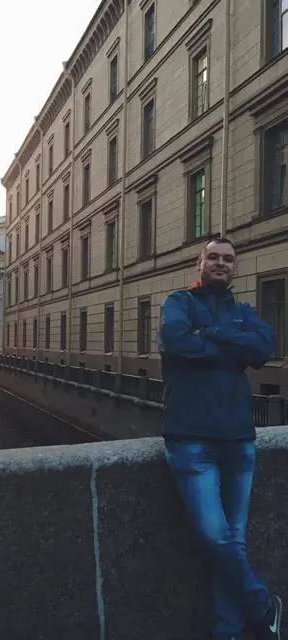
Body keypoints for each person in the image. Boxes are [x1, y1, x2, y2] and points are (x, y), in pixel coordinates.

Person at [157, 237, 282, 640]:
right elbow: (176, 341)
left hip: (239, 437)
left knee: (234, 540)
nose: (221, 263)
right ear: (200, 262)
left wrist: (208, 334)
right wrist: (231, 343)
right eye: (213, 257)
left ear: (235, 268)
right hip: (191, 436)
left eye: (228, 259)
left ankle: (226, 632)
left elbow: (263, 348)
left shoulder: (244, 310)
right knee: (214, 535)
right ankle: (263, 605)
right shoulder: (178, 302)